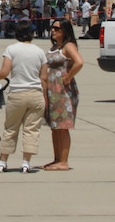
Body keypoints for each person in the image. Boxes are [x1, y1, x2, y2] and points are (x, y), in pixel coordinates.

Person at [0, 19, 47, 173]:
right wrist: (44, 96)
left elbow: (4, 72)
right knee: (31, 130)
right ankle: (26, 162)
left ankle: (3, 161)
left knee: (11, 128)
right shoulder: (39, 52)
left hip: (17, 93)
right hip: (35, 93)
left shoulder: (11, 49)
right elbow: (43, 77)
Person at [43, 18, 84, 170]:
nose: (53, 31)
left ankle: (64, 161)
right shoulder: (55, 47)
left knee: (63, 125)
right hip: (52, 90)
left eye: (57, 29)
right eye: (52, 28)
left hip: (63, 91)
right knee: (55, 126)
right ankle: (57, 158)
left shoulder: (69, 46)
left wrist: (68, 76)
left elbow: (79, 62)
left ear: (65, 31)